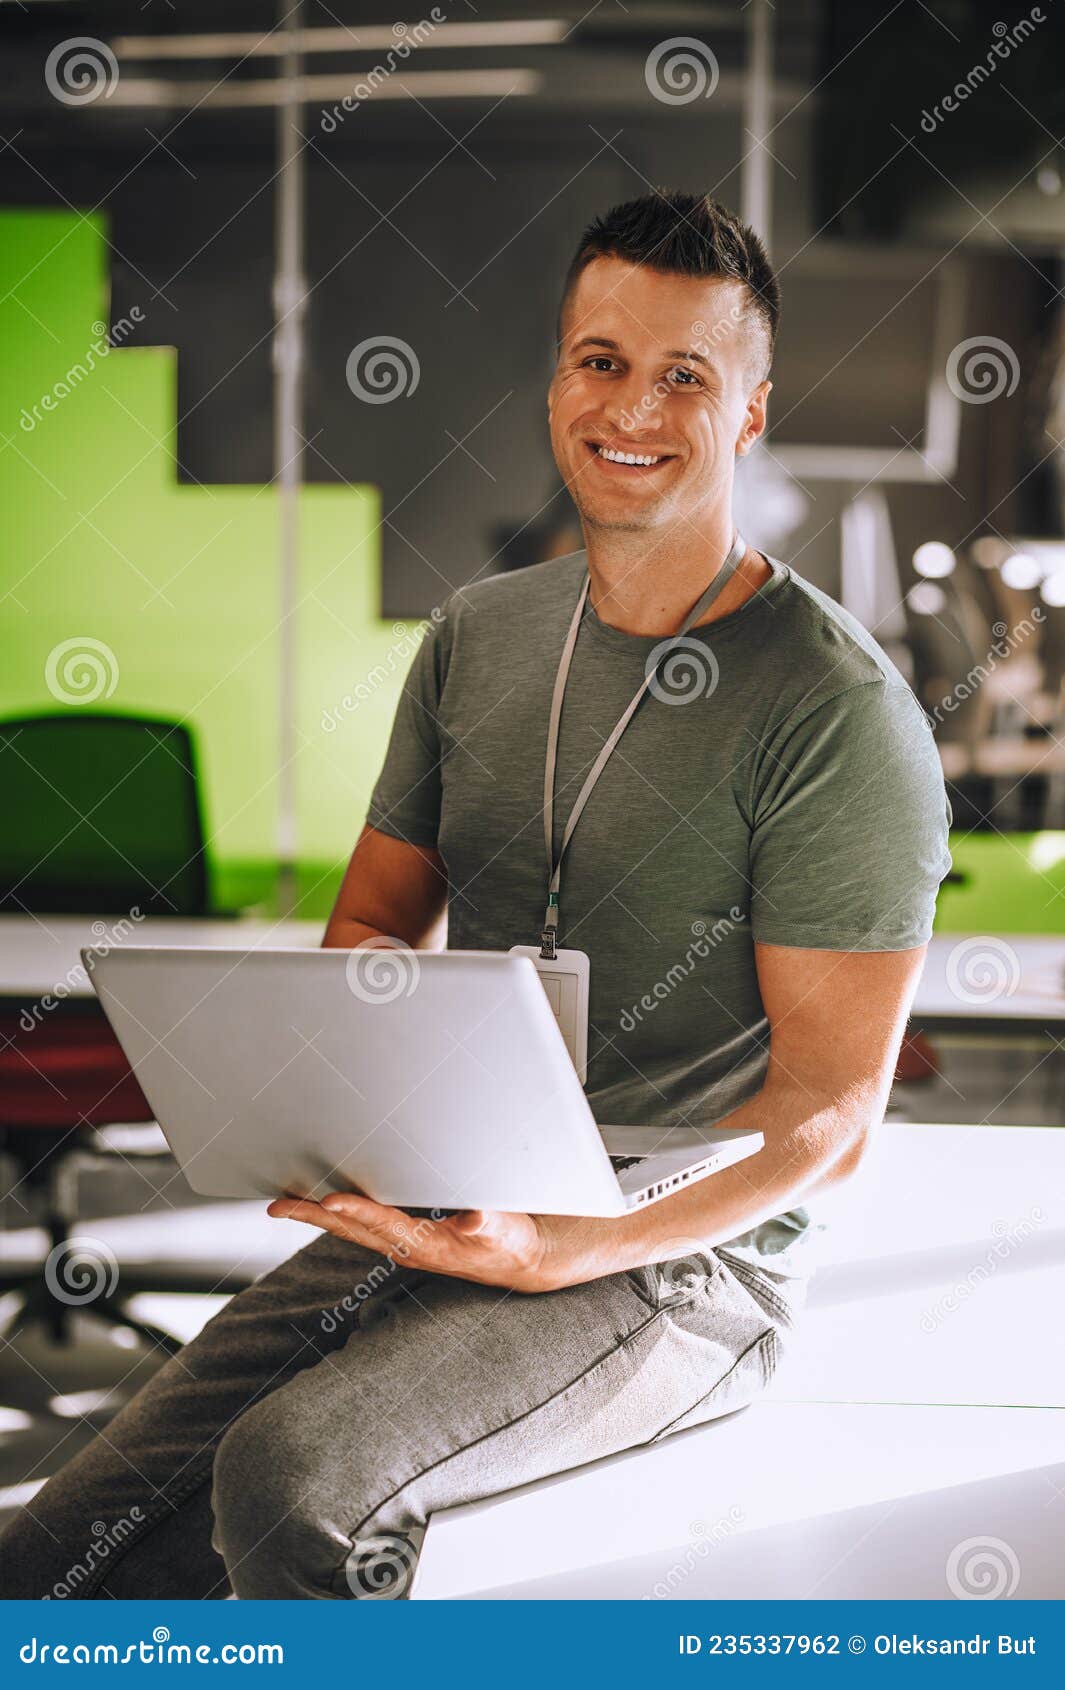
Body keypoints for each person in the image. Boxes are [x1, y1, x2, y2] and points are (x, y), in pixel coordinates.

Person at [0, 188, 952, 1601]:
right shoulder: (481, 633)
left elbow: (824, 1117)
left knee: (286, 1476)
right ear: (558, 376)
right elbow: (373, 930)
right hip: (464, 1200)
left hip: (682, 1270)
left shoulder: (831, 707)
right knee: (46, 1552)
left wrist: (567, 1238)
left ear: (747, 414)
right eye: (601, 359)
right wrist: (347, 1118)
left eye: (684, 375)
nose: (631, 405)